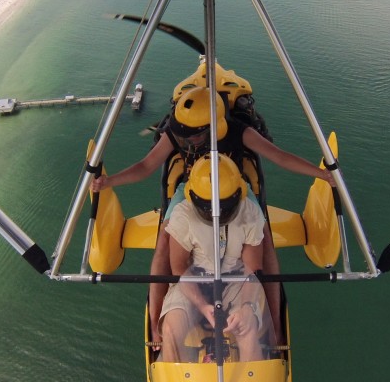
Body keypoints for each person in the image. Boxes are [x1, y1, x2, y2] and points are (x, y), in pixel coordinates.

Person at [90, 86, 335, 341]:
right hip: (192, 189)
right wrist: (110, 182)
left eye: (193, 137)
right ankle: (155, 322)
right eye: (184, 137)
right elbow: (145, 166)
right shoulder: (178, 133)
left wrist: (322, 175)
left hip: (235, 188)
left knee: (266, 240)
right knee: (163, 240)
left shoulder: (239, 132)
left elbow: (279, 157)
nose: (187, 142)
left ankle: (275, 323)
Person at [159, 154, 267, 362]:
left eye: (225, 208)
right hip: (193, 278)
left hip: (237, 279)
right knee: (171, 330)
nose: (216, 214)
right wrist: (201, 304)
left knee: (248, 328)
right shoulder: (183, 215)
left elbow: (252, 269)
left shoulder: (250, 213)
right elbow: (180, 268)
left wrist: (246, 307)